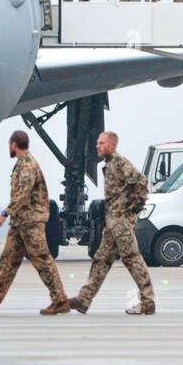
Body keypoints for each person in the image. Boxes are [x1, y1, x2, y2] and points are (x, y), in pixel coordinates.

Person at [0, 130, 68, 315]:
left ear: (13, 144)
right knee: (7, 261)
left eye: (9, 145)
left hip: (31, 222)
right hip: (20, 223)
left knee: (42, 260)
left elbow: (23, 195)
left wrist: (4, 214)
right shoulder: (21, 164)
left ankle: (60, 300)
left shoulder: (27, 166)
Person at [68, 132, 155, 315]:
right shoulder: (109, 164)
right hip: (112, 223)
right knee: (101, 260)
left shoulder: (119, 163)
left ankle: (148, 301)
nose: (97, 146)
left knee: (132, 259)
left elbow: (141, 182)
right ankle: (84, 300)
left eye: (101, 143)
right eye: (97, 142)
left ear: (112, 145)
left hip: (121, 222)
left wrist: (132, 210)